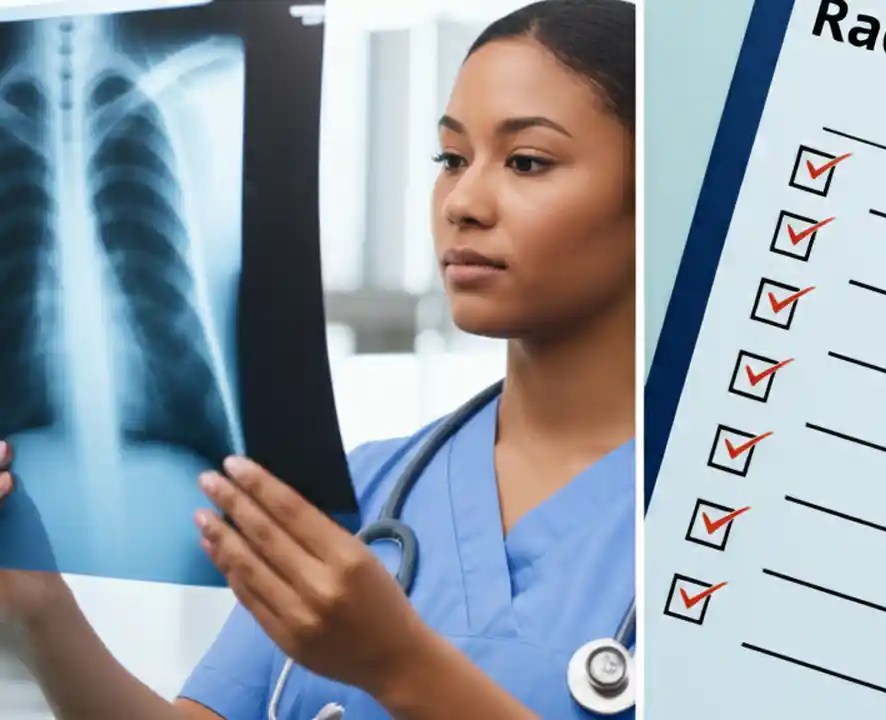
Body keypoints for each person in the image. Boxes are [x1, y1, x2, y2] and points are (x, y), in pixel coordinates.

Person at [0, 0, 636, 717]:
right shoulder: (361, 493)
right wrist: (40, 612)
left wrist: (401, 666)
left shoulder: (723, 523)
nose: (463, 201)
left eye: (527, 161)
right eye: (451, 158)